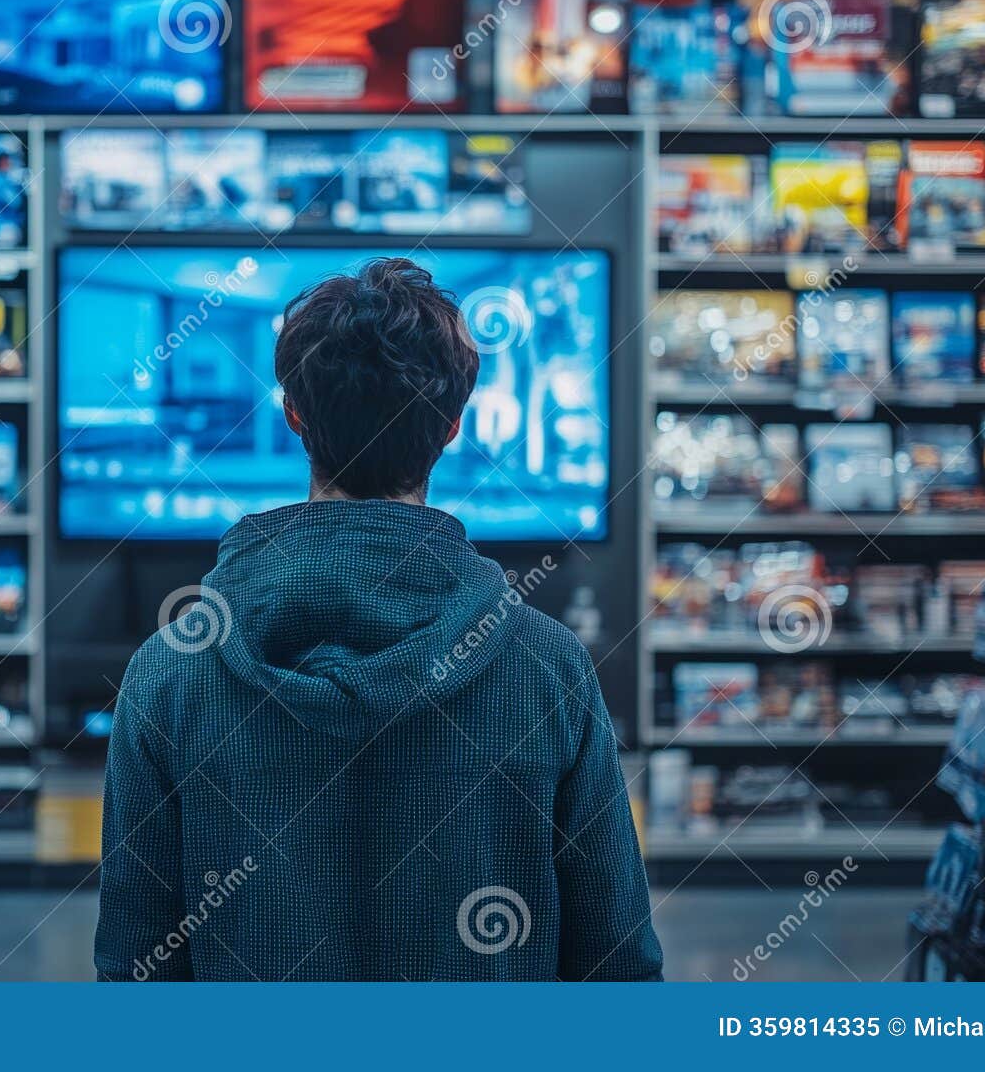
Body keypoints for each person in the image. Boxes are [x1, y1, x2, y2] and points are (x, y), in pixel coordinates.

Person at [95, 257, 662, 981]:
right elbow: (618, 969)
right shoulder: (546, 666)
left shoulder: (169, 673)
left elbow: (134, 974)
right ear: (454, 427)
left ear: (294, 414)